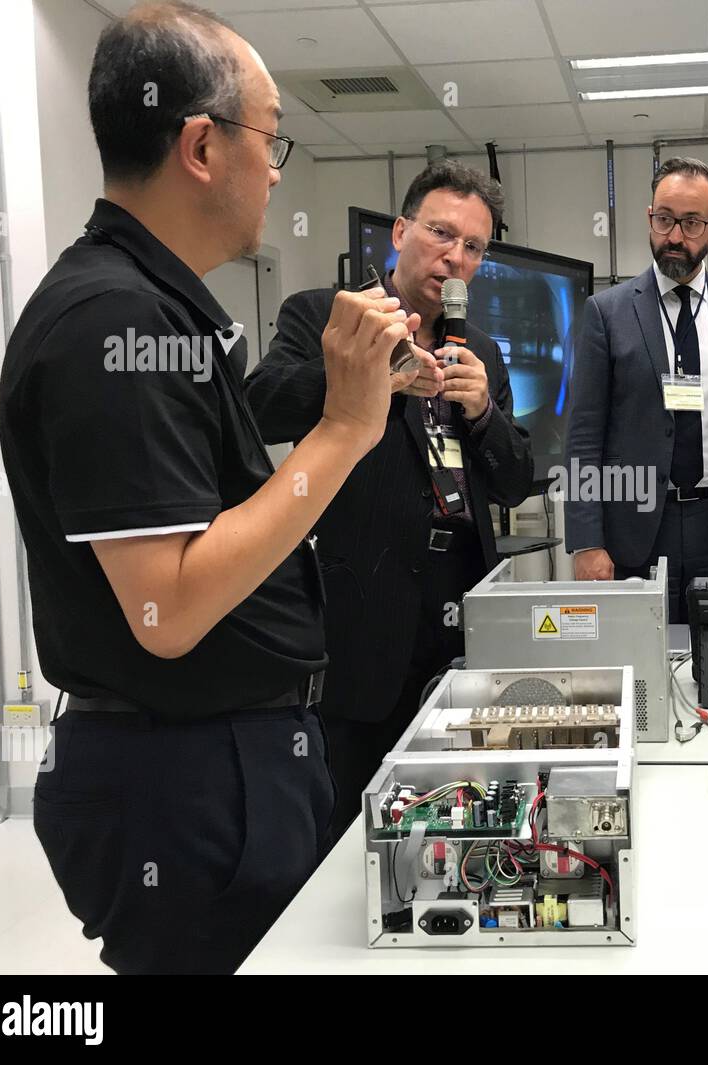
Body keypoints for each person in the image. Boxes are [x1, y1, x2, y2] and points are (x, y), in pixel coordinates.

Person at [0, 1, 430, 973]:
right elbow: (170, 604)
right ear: (201, 144)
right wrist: (348, 424)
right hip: (181, 784)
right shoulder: (110, 322)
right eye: (271, 142)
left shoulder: (157, 311)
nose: (277, 174)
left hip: (222, 761)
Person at [246, 160, 533, 842]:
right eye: (441, 232)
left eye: (474, 247)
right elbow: (259, 407)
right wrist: (362, 373)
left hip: (461, 600)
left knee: (451, 799)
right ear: (401, 232)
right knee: (356, 815)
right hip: (365, 606)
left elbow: (517, 479)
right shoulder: (325, 315)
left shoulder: (482, 349)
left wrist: (486, 412)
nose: (454, 256)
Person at [564, 157, 708, 623]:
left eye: (690, 223)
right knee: (640, 662)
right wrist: (587, 541)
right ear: (650, 216)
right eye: (664, 219)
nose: (673, 236)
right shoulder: (607, 313)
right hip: (635, 524)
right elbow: (584, 436)